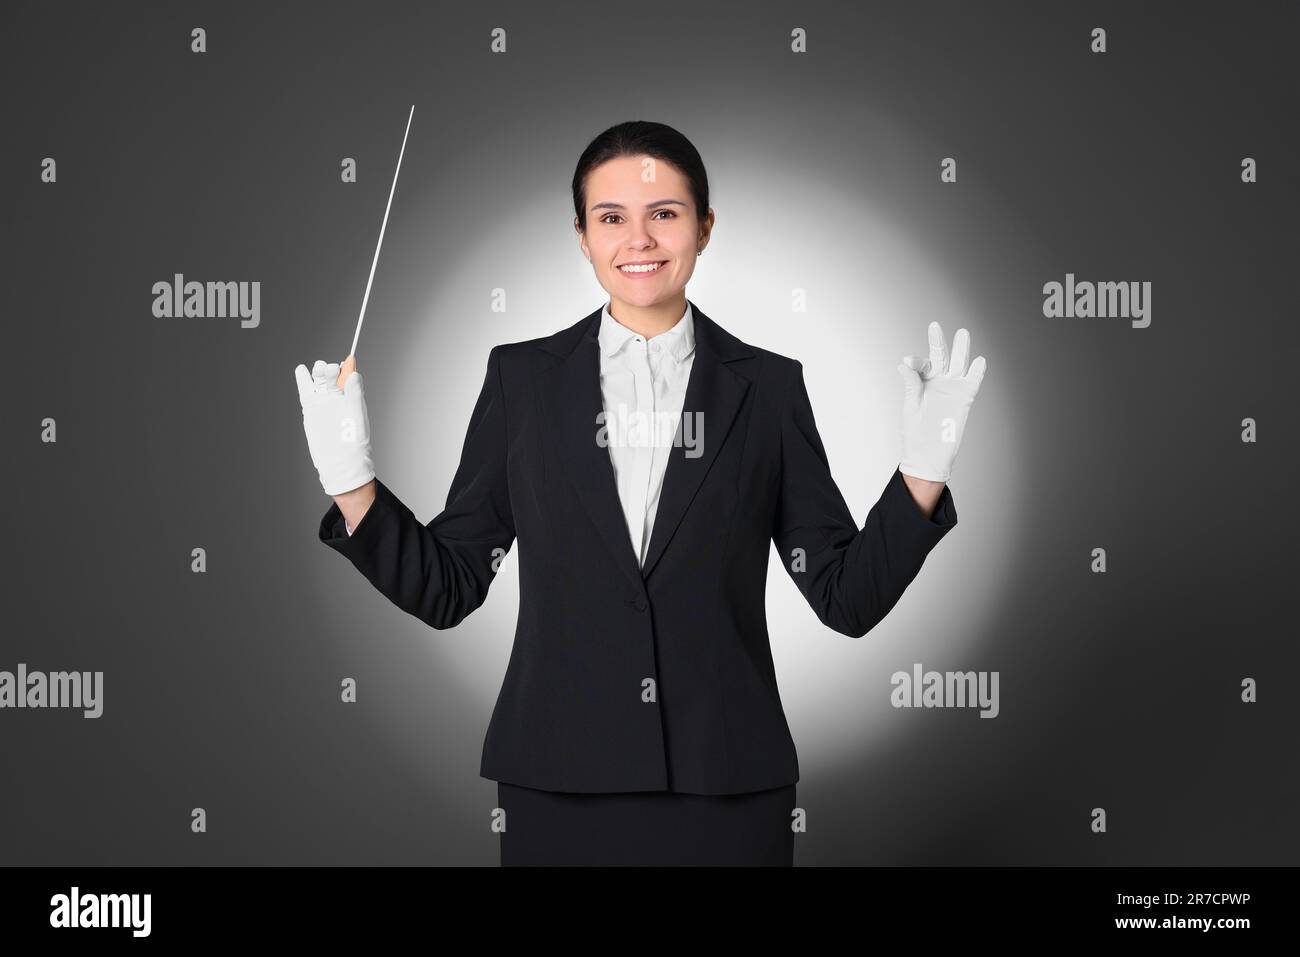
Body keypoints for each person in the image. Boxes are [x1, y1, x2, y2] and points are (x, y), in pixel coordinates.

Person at [294, 120, 987, 866]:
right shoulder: (521, 381)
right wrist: (353, 482)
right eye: (611, 218)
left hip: (728, 789)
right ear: (583, 237)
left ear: (705, 226)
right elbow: (450, 587)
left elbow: (844, 597)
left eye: (664, 213)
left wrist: (923, 468)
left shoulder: (770, 387)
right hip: (557, 785)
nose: (640, 239)